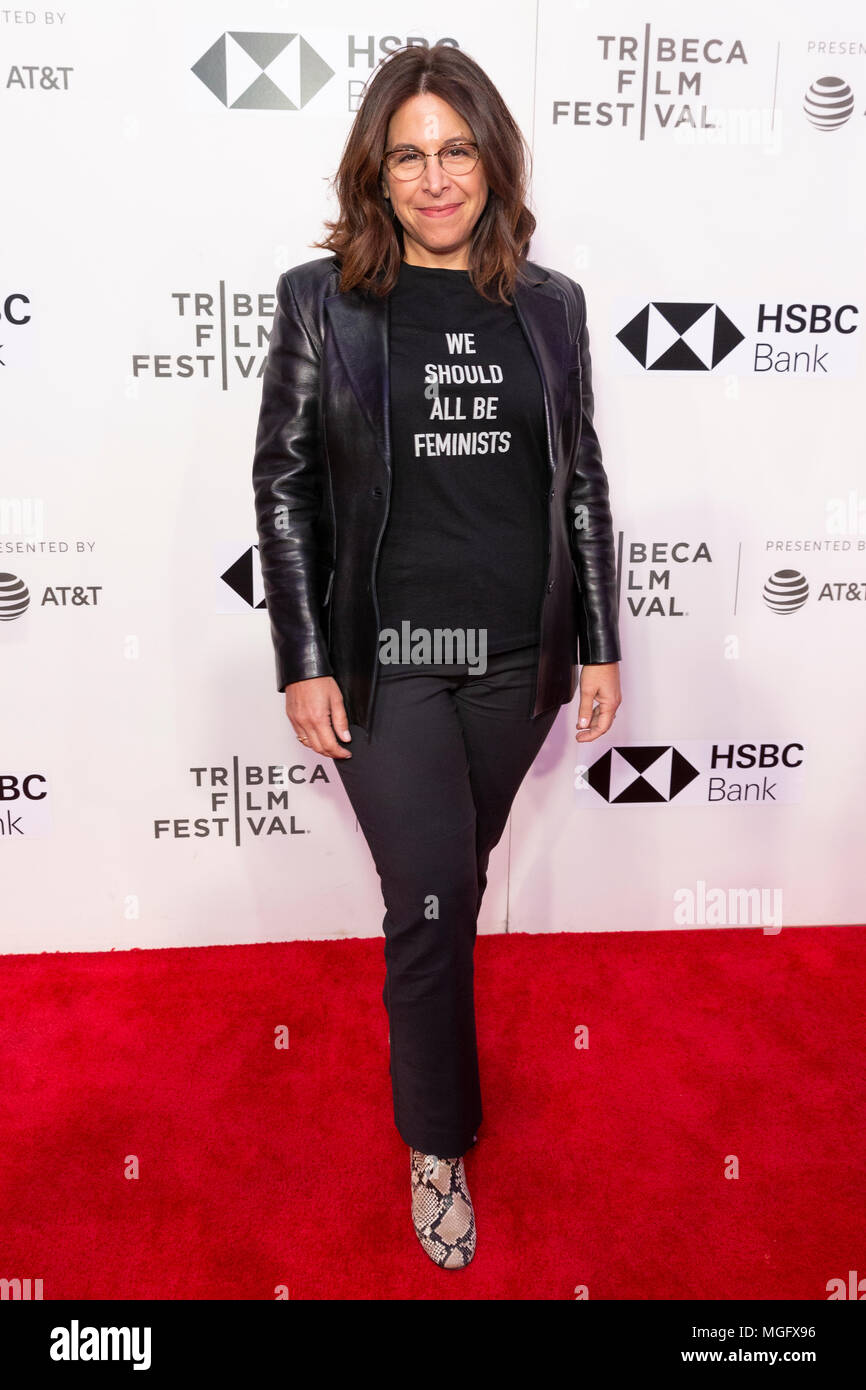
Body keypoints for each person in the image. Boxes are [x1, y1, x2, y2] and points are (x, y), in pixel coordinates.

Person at [251, 43, 622, 1270]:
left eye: (454, 148)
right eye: (407, 154)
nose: (433, 175)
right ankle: (436, 1141)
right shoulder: (324, 302)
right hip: (389, 654)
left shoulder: (552, 304)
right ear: (378, 170)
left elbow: (578, 483)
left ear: (490, 157)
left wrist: (598, 644)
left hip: (517, 659)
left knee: (448, 884)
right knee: (430, 900)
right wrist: (302, 654)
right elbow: (287, 483)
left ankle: (432, 1082)